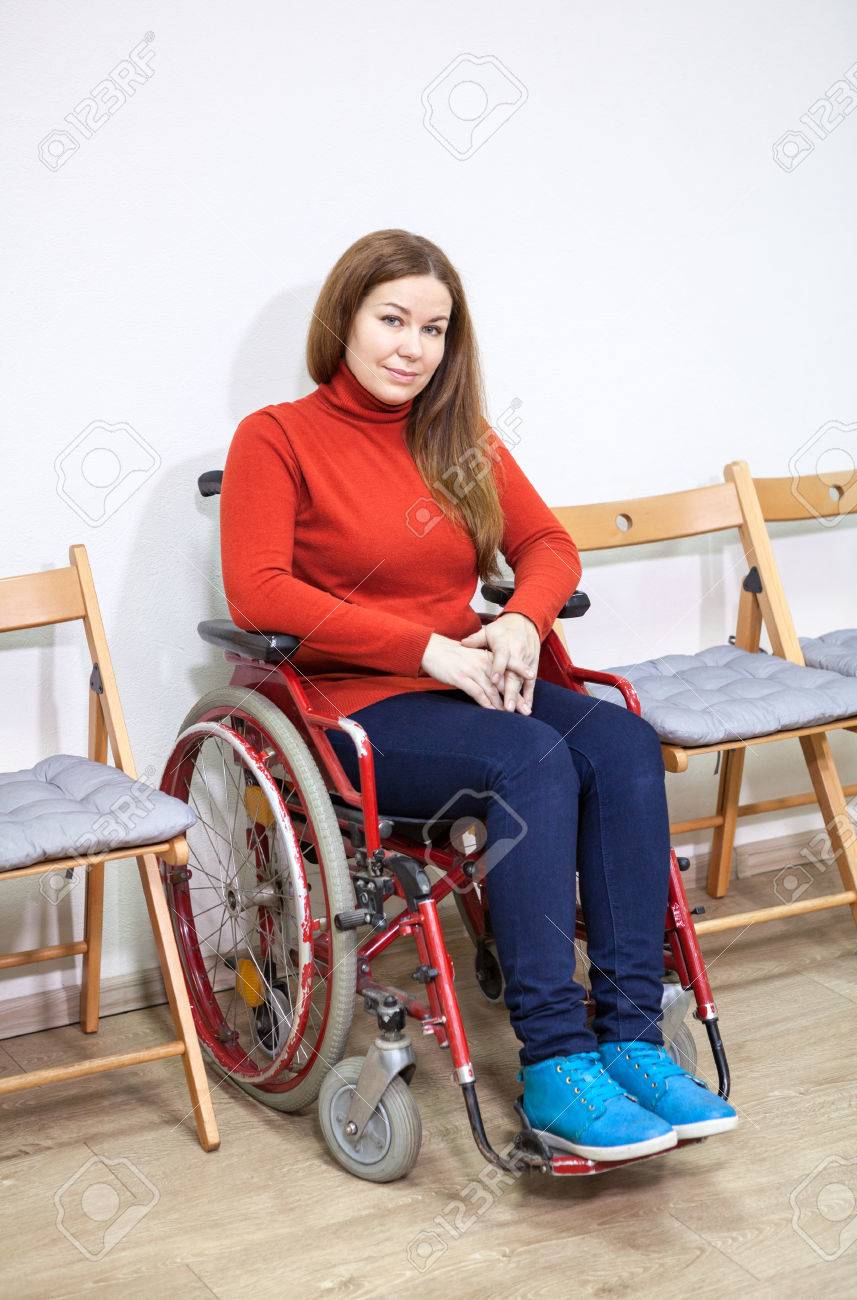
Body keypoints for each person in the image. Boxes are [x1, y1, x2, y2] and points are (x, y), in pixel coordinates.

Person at [220, 228, 737, 1161]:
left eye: (435, 328)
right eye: (392, 320)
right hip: (354, 710)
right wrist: (429, 646)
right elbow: (260, 592)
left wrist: (519, 623)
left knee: (619, 741)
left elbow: (548, 547)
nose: (412, 347)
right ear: (345, 319)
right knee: (533, 757)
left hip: (468, 680)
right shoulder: (277, 437)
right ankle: (555, 1060)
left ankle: (628, 1034)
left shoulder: (456, 441)